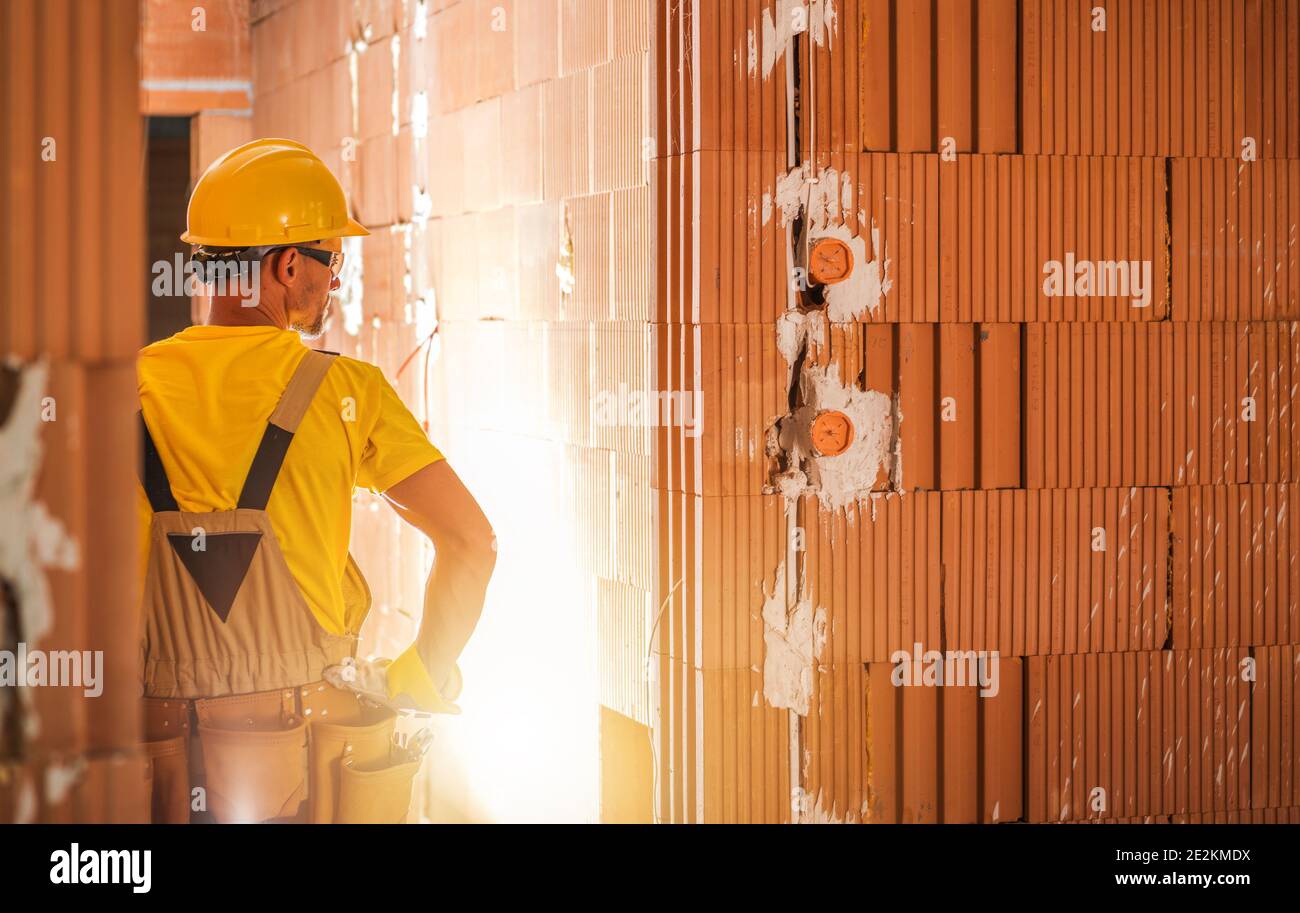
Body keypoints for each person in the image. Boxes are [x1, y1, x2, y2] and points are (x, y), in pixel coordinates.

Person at [134, 138, 495, 824]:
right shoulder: (343, 393)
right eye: (333, 261)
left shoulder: (122, 390)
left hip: (149, 772)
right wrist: (417, 675)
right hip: (298, 778)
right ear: (288, 263)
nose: (336, 282)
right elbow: (473, 542)